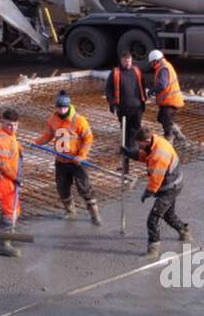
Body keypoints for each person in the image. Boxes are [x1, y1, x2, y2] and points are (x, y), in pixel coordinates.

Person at [39, 90, 101, 226]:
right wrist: (37, 142)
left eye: (64, 107)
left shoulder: (79, 120)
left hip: (77, 161)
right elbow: (47, 135)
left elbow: (88, 139)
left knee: (84, 187)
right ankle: (70, 210)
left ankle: (94, 214)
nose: (62, 110)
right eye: (59, 107)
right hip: (61, 161)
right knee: (62, 187)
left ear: (69, 106)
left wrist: (81, 156)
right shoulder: (53, 119)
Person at [136, 130, 192, 259]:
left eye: (139, 144)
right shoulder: (155, 143)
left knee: (153, 218)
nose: (138, 146)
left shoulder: (159, 154)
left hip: (170, 188)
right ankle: (184, 231)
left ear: (146, 141)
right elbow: (146, 156)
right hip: (173, 184)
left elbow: (156, 178)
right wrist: (132, 154)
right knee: (168, 215)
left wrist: (148, 192)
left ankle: (153, 249)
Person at [0, 108, 22, 257]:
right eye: (9, 125)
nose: (12, 128)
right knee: (10, 211)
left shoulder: (9, 136)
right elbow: (3, 165)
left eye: (15, 125)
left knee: (15, 209)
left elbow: (12, 150)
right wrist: (16, 177)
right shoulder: (2, 140)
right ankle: (4, 245)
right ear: (3, 123)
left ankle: (10, 235)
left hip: (7, 179)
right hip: (2, 180)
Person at [107, 51, 147, 157]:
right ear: (121, 61)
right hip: (123, 107)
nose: (128, 63)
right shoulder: (116, 72)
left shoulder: (137, 71)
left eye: (129, 61)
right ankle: (127, 147)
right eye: (125, 61)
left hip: (137, 106)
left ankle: (133, 146)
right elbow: (109, 89)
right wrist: (112, 103)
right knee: (126, 128)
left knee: (136, 127)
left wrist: (143, 102)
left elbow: (142, 86)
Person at [147, 49, 190, 146]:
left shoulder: (163, 69)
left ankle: (169, 139)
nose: (152, 65)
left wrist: (153, 91)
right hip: (169, 100)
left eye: (152, 63)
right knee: (162, 118)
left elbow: (163, 85)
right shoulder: (165, 66)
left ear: (156, 61)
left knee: (166, 120)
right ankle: (178, 135)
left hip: (171, 101)